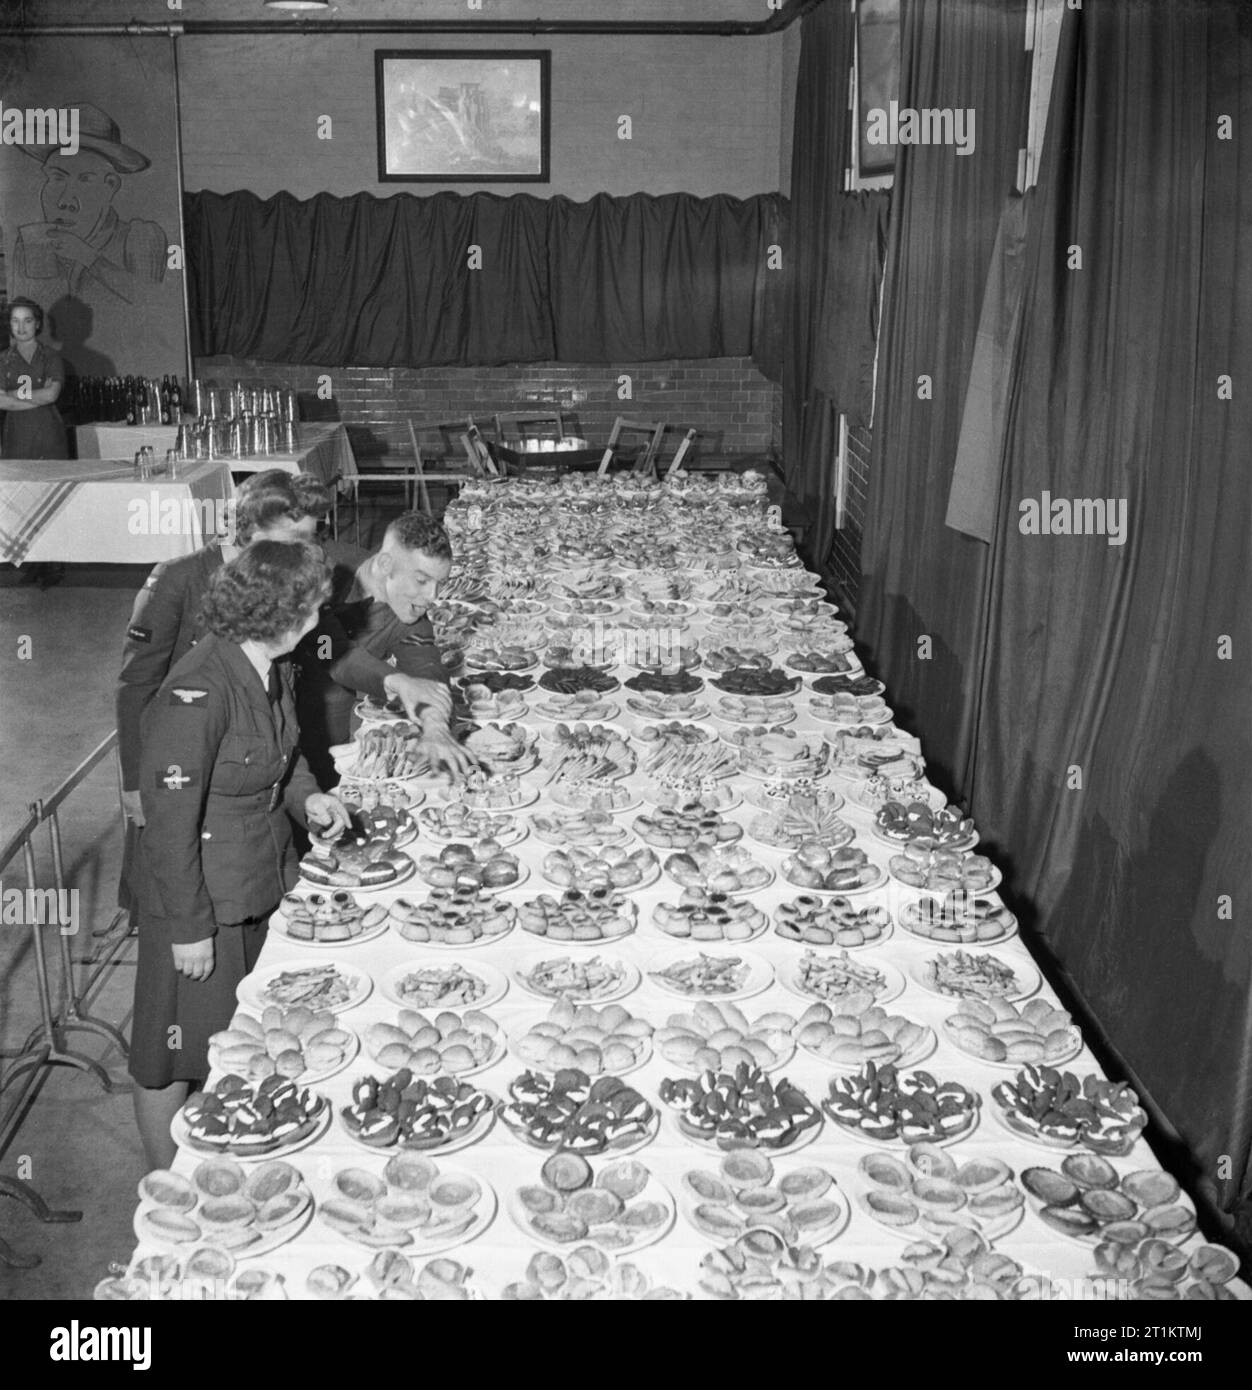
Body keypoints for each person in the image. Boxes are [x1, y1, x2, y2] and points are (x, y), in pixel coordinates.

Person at [128, 540, 350, 1170]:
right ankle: (167, 1184)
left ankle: (231, 1157)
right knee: (170, 1055)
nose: (318, 620)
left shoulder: (266, 665)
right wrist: (191, 929)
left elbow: (288, 753)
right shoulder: (197, 689)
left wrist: (308, 802)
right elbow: (168, 825)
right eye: (310, 609)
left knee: (234, 1039)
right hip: (199, 901)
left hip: (256, 877)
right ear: (276, 613)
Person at [116, 470, 335, 832]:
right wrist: (135, 783)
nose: (308, 552)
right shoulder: (176, 580)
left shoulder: (288, 580)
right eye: (295, 540)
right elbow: (136, 685)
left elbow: (323, 646)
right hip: (184, 755)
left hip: (252, 761)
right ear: (247, 531)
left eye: (311, 540)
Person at [295, 511, 475, 784]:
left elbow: (426, 668)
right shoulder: (323, 565)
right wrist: (399, 682)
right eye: (422, 581)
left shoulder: (407, 612)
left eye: (441, 584)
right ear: (385, 563)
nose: (433, 597)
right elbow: (327, 650)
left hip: (327, 718)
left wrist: (435, 725)